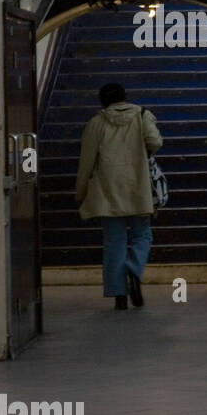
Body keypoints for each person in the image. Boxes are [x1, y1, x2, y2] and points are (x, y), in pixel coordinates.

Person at [74, 84, 163, 310]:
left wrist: (81, 192)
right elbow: (156, 142)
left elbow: (86, 162)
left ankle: (119, 295)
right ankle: (134, 267)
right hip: (138, 186)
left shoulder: (96, 123)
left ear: (103, 101)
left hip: (107, 191)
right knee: (142, 235)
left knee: (114, 241)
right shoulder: (142, 115)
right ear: (125, 97)